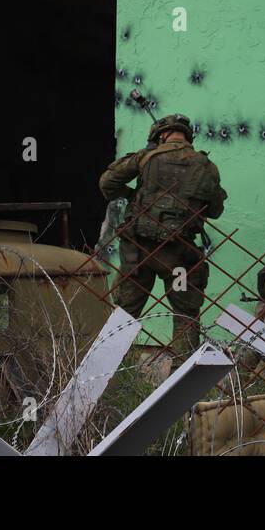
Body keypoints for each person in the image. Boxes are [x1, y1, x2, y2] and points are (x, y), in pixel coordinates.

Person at [99, 113, 227, 356]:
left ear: (159, 136)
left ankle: (111, 373)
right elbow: (216, 210)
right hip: (178, 256)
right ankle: (182, 378)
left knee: (126, 313)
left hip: (140, 253)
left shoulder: (146, 157)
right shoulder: (207, 167)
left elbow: (107, 184)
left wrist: (133, 196)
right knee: (185, 315)